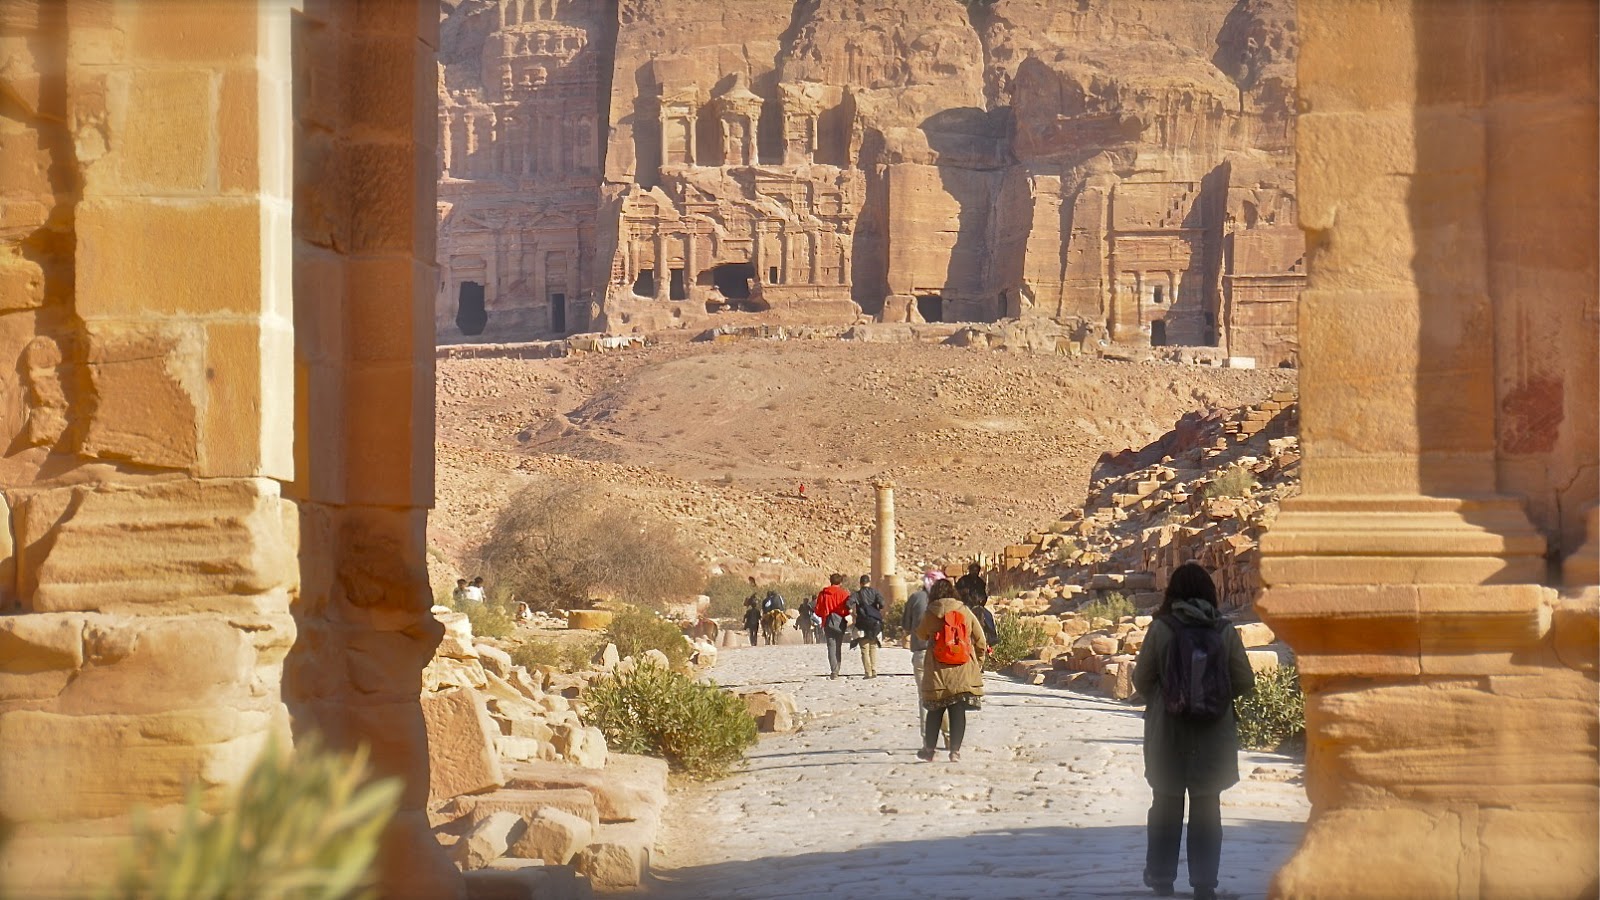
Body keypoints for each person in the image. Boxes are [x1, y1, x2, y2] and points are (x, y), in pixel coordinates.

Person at [1133, 563, 1254, 900]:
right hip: (1212, 737)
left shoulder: (1161, 628)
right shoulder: (1224, 630)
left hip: (1168, 735)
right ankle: (1204, 884)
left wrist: (1167, 697)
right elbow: (1244, 680)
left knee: (1165, 806)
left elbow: (1141, 680)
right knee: (1207, 809)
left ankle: (1161, 878)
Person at [913, 578, 987, 762]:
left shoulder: (931, 613)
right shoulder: (964, 610)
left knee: (935, 710)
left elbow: (921, 634)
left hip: (937, 669)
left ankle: (929, 750)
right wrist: (977, 663)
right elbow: (980, 640)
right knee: (957, 710)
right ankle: (955, 751)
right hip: (962, 667)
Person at [901, 577, 932, 729]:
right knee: (945, 696)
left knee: (924, 696)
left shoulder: (915, 598)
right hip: (943, 655)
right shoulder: (947, 601)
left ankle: (928, 738)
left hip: (921, 651)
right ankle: (948, 736)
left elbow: (906, 624)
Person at [813, 573, 853, 678]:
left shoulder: (823, 593)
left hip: (827, 622)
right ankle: (837, 668)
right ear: (840, 582)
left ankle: (834, 670)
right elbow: (847, 609)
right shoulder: (844, 594)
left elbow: (817, 610)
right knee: (838, 645)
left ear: (830, 581)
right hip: (840, 623)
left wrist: (824, 614)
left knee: (831, 646)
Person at [850, 575, 886, 679]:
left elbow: (848, 603)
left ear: (860, 583)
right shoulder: (875, 592)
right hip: (874, 623)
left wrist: (852, 612)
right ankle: (874, 670)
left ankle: (868, 672)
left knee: (864, 649)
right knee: (873, 647)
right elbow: (882, 603)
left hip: (862, 623)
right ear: (869, 583)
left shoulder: (857, 594)